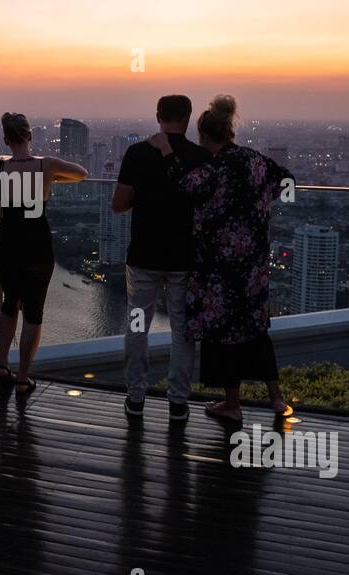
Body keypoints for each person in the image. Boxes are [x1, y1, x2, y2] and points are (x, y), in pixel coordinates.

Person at [149, 94, 293, 423]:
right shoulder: (256, 160)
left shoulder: (213, 168)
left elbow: (182, 187)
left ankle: (232, 403)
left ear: (204, 136)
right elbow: (287, 181)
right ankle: (276, 398)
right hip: (254, 263)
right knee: (255, 328)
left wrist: (167, 151)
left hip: (218, 266)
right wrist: (259, 204)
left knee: (222, 332)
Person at [113, 95, 209, 423]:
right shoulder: (199, 157)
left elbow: (119, 204)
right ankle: (178, 401)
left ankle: (136, 396)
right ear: (188, 117)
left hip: (143, 256)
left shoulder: (138, 153)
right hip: (183, 258)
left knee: (137, 325)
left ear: (158, 116)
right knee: (181, 330)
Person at [0, 112, 87, 395]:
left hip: (7, 244)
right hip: (37, 245)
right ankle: (22, 377)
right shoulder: (47, 166)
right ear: (30, 136)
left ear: (6, 140)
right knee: (34, 312)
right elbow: (82, 174)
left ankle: (2, 364)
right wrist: (53, 179)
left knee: (10, 304)